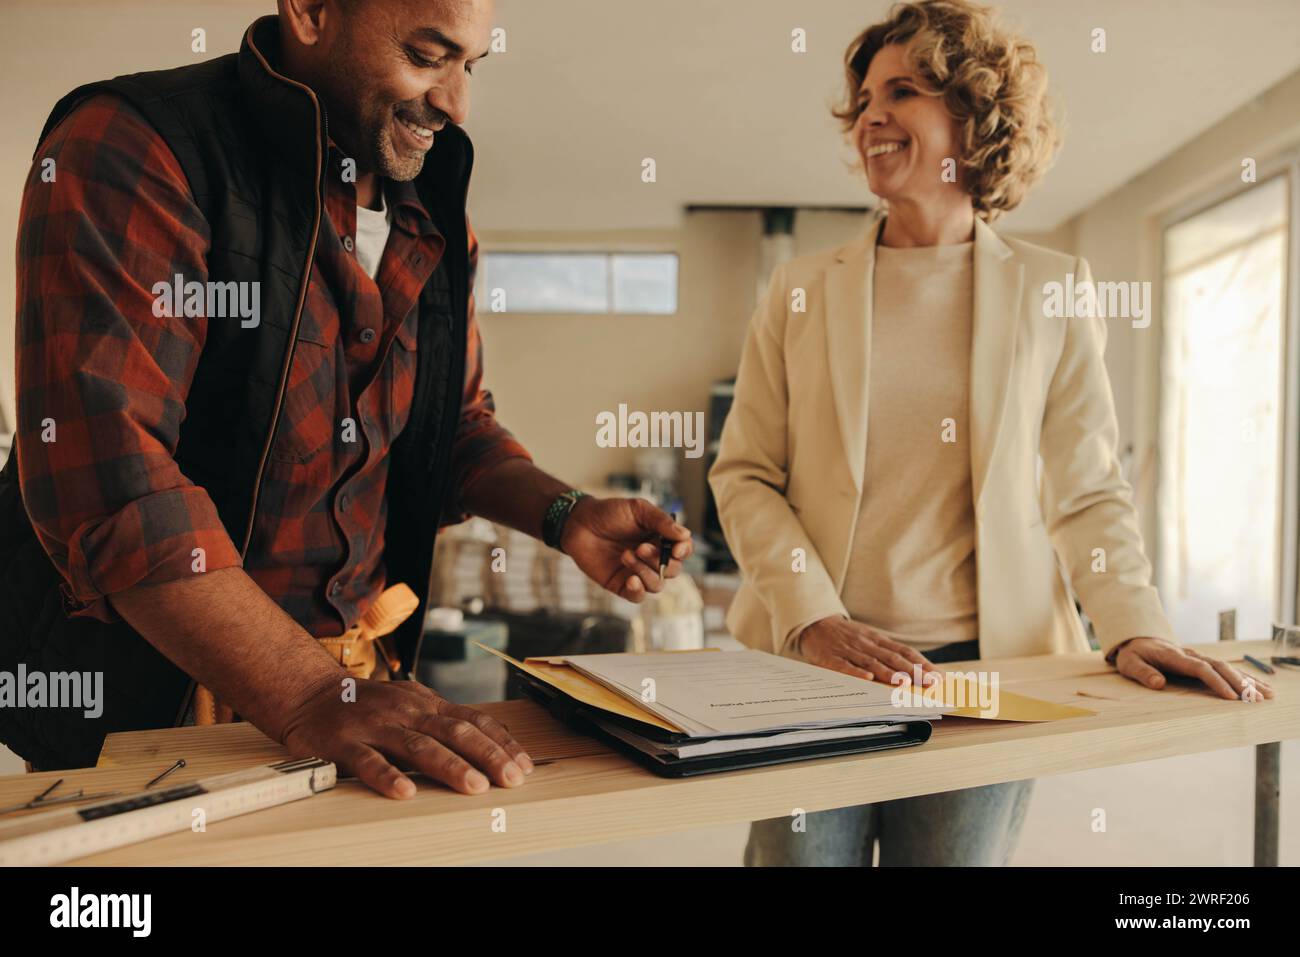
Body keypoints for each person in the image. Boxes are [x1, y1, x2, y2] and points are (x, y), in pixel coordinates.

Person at [0, 0, 692, 798]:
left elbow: (454, 424)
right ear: (312, 10)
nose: (457, 103)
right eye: (428, 55)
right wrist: (310, 692)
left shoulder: (436, 215)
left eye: (471, 65)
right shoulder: (136, 148)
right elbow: (110, 482)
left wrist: (565, 512)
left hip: (358, 696)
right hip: (154, 712)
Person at [708, 0, 1272, 866]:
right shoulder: (801, 289)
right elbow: (744, 473)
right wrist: (811, 617)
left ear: (972, 119)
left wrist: (1130, 622)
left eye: (902, 91)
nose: (871, 115)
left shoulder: (1055, 287)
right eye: (863, 100)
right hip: (813, 665)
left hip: (985, 677)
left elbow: (1086, 488)